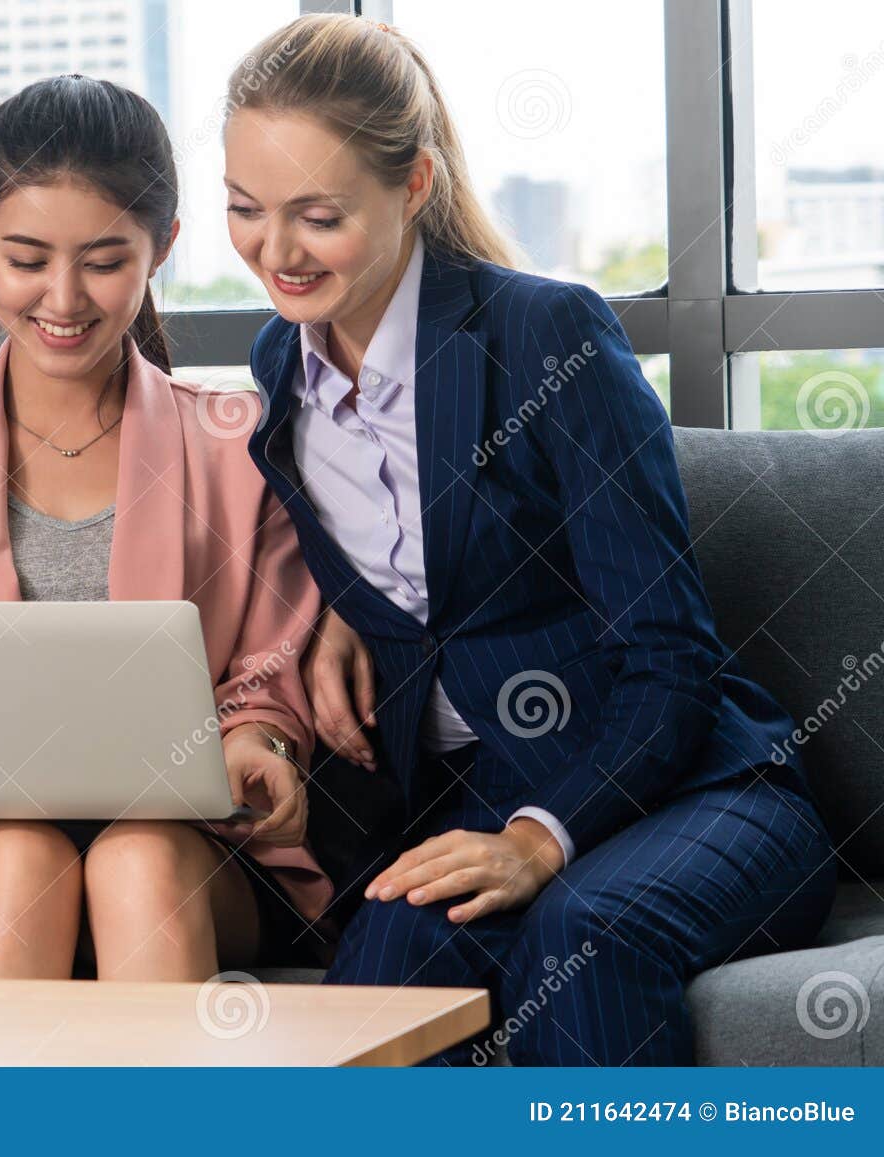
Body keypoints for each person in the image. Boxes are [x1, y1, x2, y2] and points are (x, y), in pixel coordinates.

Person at [223, 13, 837, 1063]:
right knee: (382, 964)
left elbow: (670, 653)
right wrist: (343, 615)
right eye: (244, 209)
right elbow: (421, 575)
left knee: (581, 933)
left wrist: (538, 836)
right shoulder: (282, 366)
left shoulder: (545, 333)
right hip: (475, 794)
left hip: (694, 786)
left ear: (414, 185)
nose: (274, 252)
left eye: (317, 216)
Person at [0, 76, 332, 981]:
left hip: (191, 842)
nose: (62, 298)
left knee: (137, 860)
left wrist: (259, 742)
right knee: (22, 860)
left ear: (163, 247)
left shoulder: (240, 444)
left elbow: (266, 677)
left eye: (103, 261)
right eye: (25, 258)